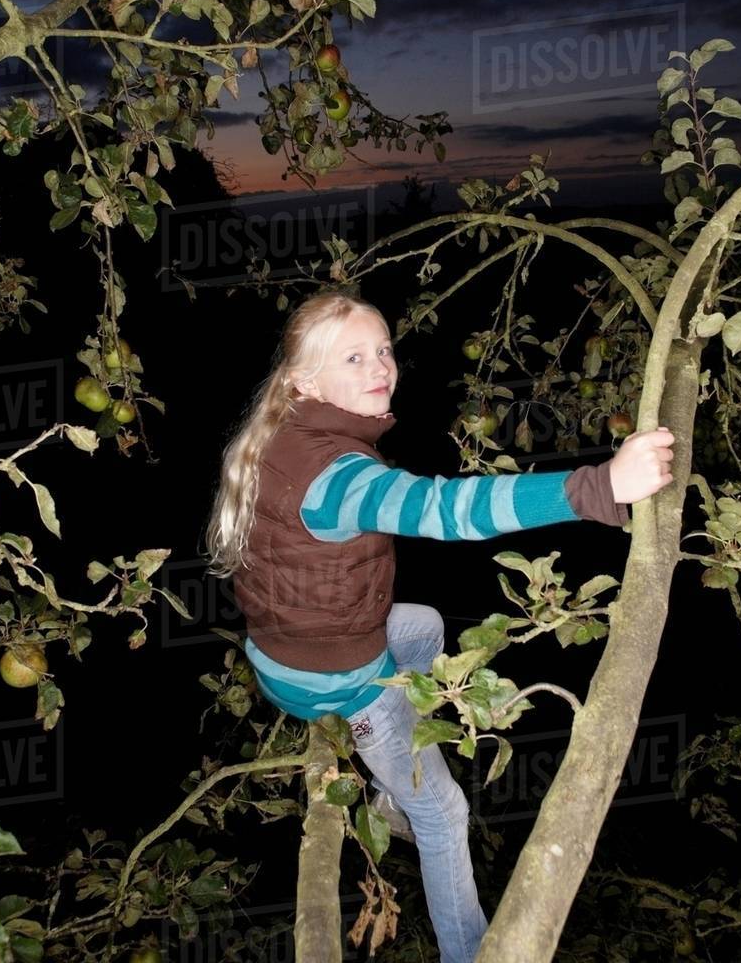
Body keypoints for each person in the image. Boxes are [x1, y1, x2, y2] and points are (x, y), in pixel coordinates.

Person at [205, 291, 674, 963]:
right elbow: (443, 509)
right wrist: (597, 487)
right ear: (304, 382)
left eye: (383, 350)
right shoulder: (336, 476)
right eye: (354, 358)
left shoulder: (284, 437)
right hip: (335, 680)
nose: (381, 367)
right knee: (443, 813)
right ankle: (463, 944)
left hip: (277, 655)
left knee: (422, 626)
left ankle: (389, 759)